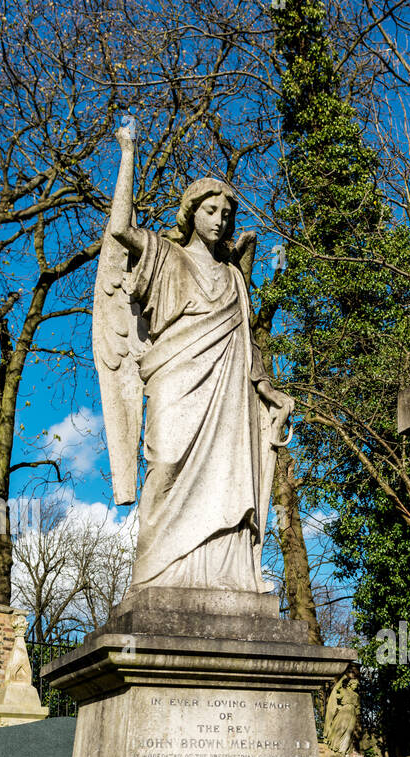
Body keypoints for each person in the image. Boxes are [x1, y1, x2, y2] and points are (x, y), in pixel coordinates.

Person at [102, 123, 293, 590]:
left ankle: (225, 575)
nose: (220, 220)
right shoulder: (163, 254)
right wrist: (129, 153)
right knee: (165, 464)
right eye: (211, 210)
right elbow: (120, 228)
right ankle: (152, 577)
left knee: (228, 474)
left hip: (227, 391)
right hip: (174, 379)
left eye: (227, 213)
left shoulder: (234, 277)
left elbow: (248, 346)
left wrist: (269, 391)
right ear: (193, 213)